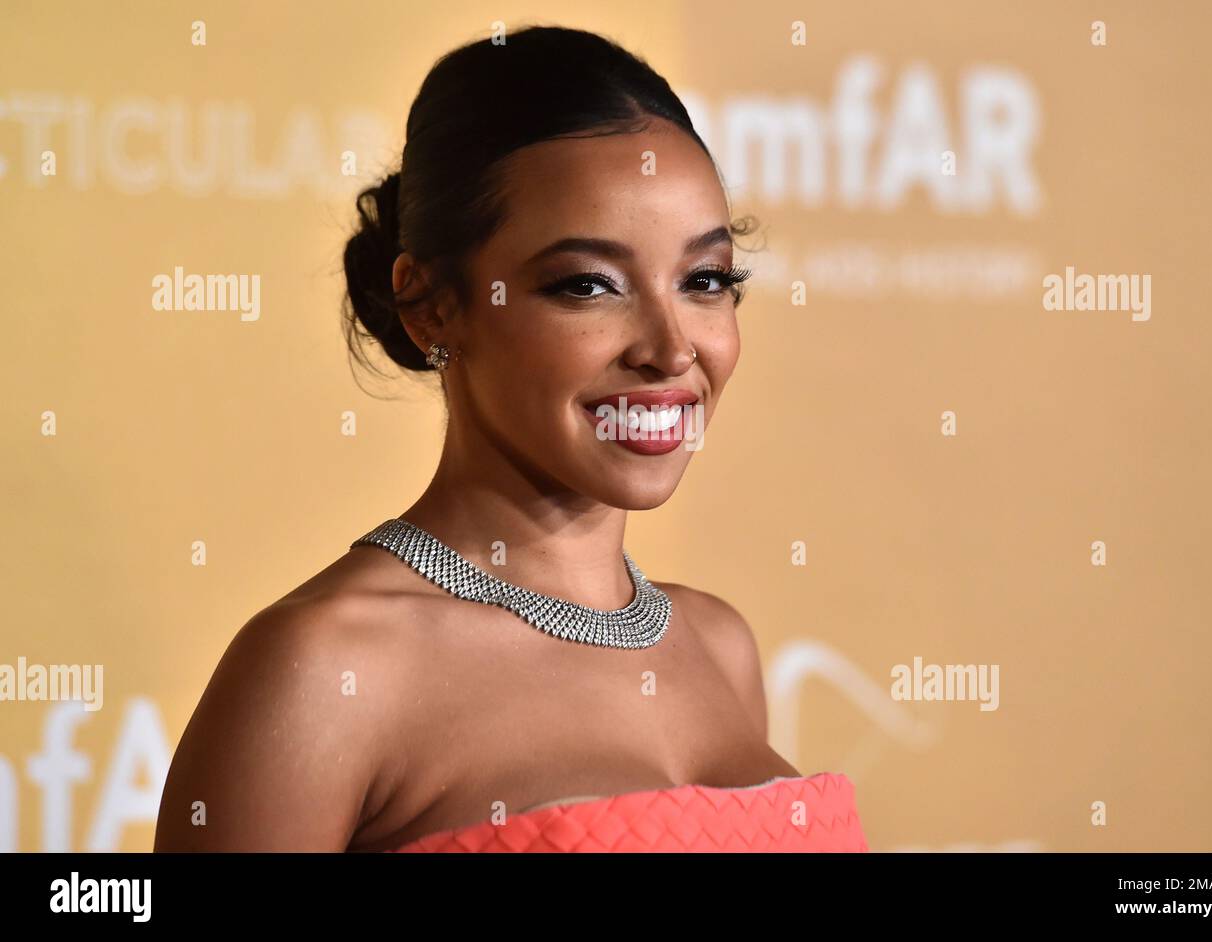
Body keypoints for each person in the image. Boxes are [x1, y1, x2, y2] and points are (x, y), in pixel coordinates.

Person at [154, 24, 867, 852]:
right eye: (587, 286)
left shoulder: (720, 647)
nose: (672, 350)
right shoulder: (321, 672)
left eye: (704, 280)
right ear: (430, 306)